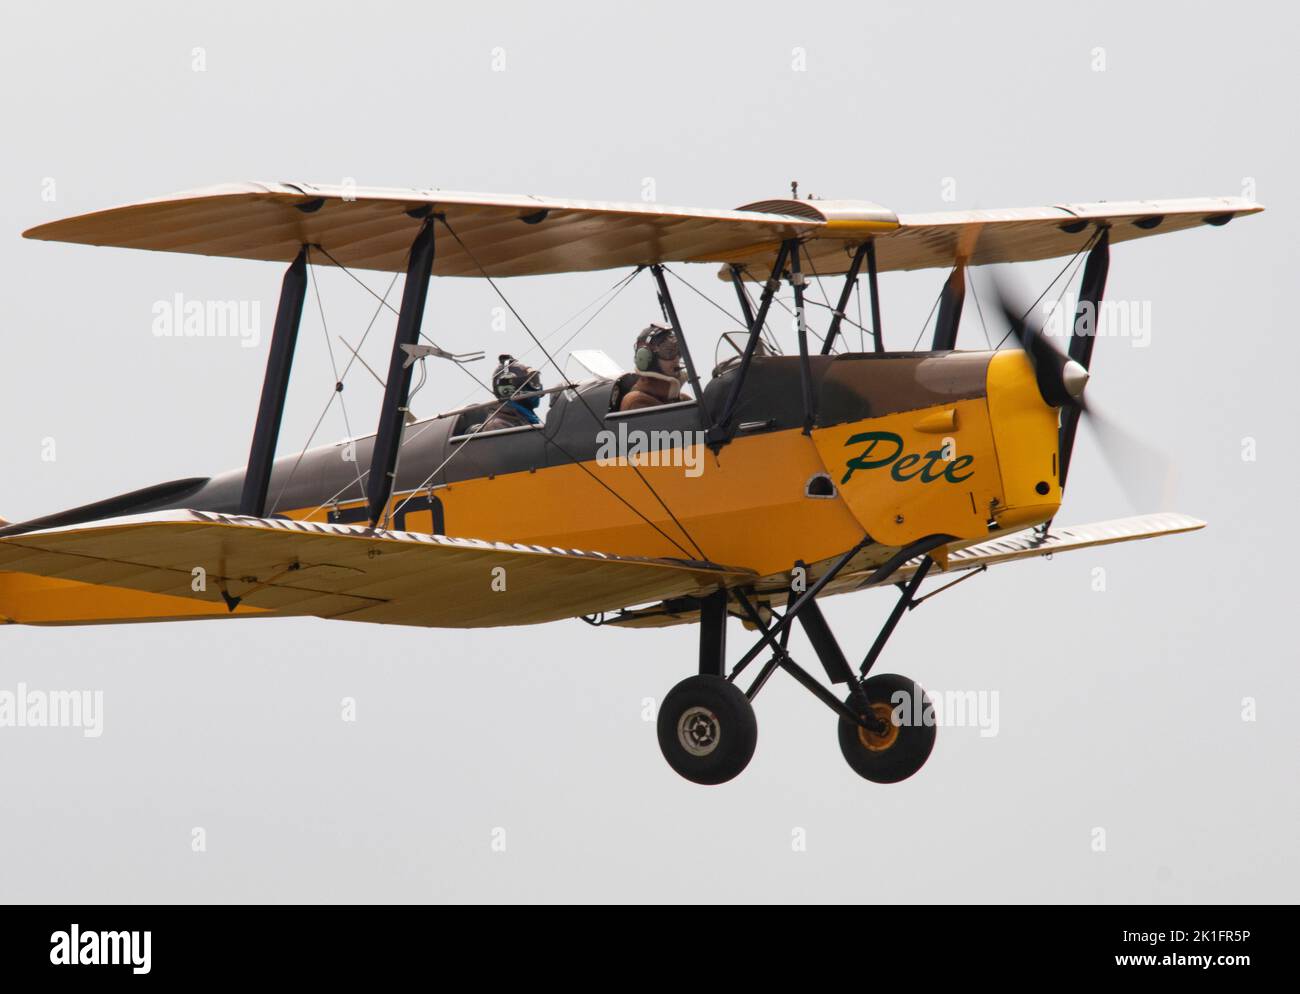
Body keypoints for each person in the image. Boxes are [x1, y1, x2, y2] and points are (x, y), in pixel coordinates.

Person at [618, 323, 690, 412]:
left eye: (678, 352)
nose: (676, 359)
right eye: (668, 353)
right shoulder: (635, 402)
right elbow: (622, 426)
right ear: (648, 359)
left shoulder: (683, 400)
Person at [479, 354, 544, 431]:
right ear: (507, 389)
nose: (540, 391)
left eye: (536, 381)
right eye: (532, 382)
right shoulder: (497, 425)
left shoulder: (524, 420)